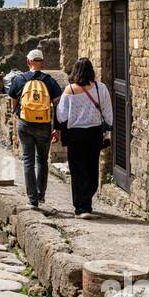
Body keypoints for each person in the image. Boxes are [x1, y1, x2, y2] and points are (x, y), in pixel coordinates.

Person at [56, 57, 112, 218]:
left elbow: (61, 116)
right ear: (91, 71)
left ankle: (81, 207)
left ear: (75, 71)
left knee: (77, 170)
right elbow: (108, 113)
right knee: (91, 168)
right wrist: (107, 133)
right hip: (94, 134)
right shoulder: (101, 88)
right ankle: (86, 202)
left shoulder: (69, 90)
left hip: (75, 135)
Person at [6, 48, 62, 208]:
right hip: (44, 125)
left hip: (25, 124)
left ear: (28, 62)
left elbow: (13, 104)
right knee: (42, 160)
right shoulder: (49, 81)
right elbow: (58, 105)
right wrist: (57, 128)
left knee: (28, 161)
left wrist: (18, 116)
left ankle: (32, 199)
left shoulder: (19, 79)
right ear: (42, 62)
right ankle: (41, 194)